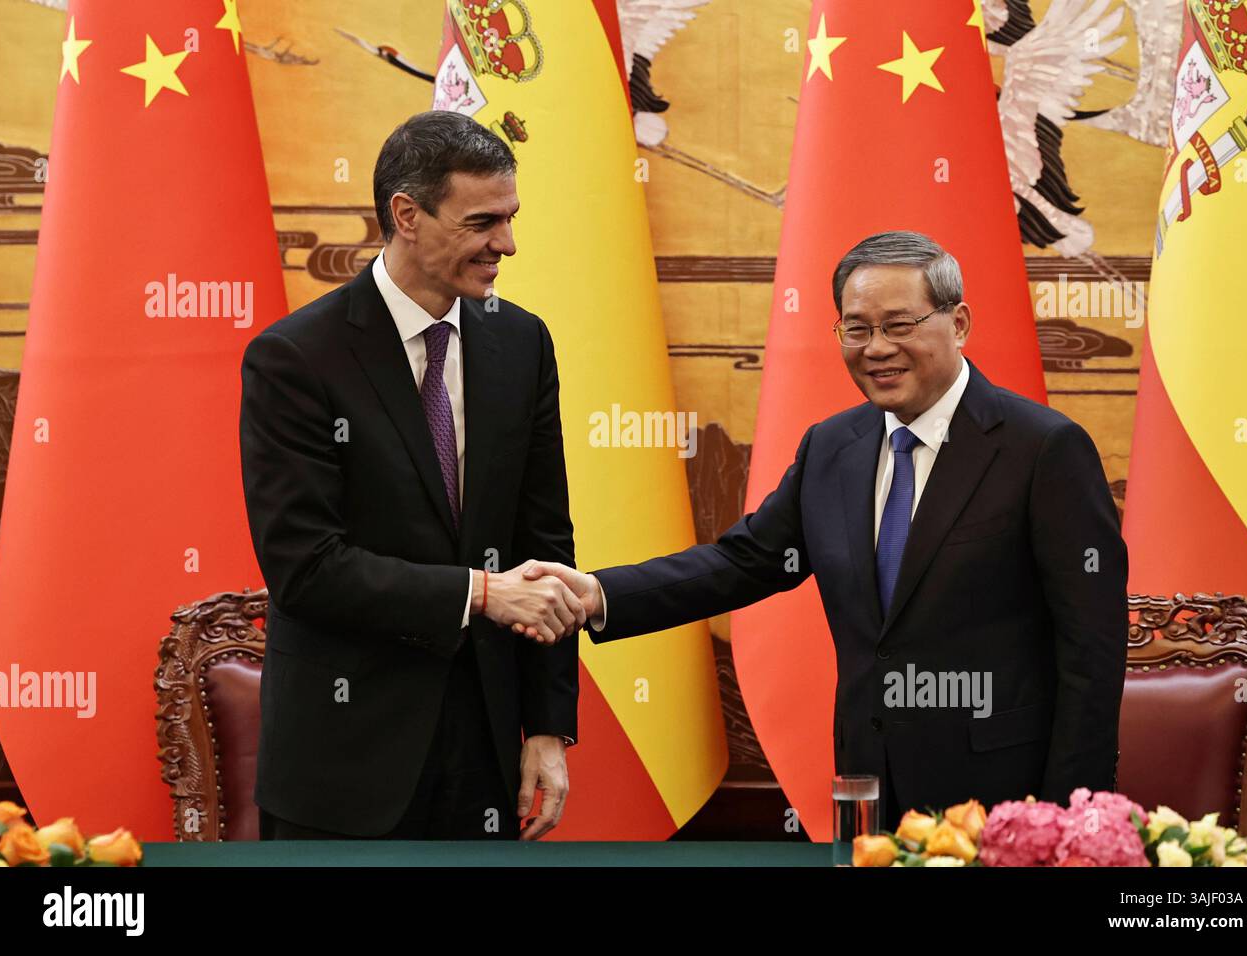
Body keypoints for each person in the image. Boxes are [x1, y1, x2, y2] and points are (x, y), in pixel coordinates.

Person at [522, 230, 1128, 829]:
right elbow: (745, 562)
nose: (876, 348)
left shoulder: (1044, 450)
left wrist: (1072, 819)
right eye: (857, 328)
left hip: (1005, 801)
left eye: (899, 325)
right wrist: (596, 595)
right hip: (867, 788)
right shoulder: (834, 447)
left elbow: (1091, 655)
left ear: (960, 323)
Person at [239, 111, 584, 841]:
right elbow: (306, 568)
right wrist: (480, 592)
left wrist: (549, 728)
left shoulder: (521, 343)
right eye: (483, 221)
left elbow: (544, 542)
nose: (508, 244)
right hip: (343, 762)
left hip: (485, 756)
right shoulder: (297, 359)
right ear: (406, 215)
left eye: (511, 218)